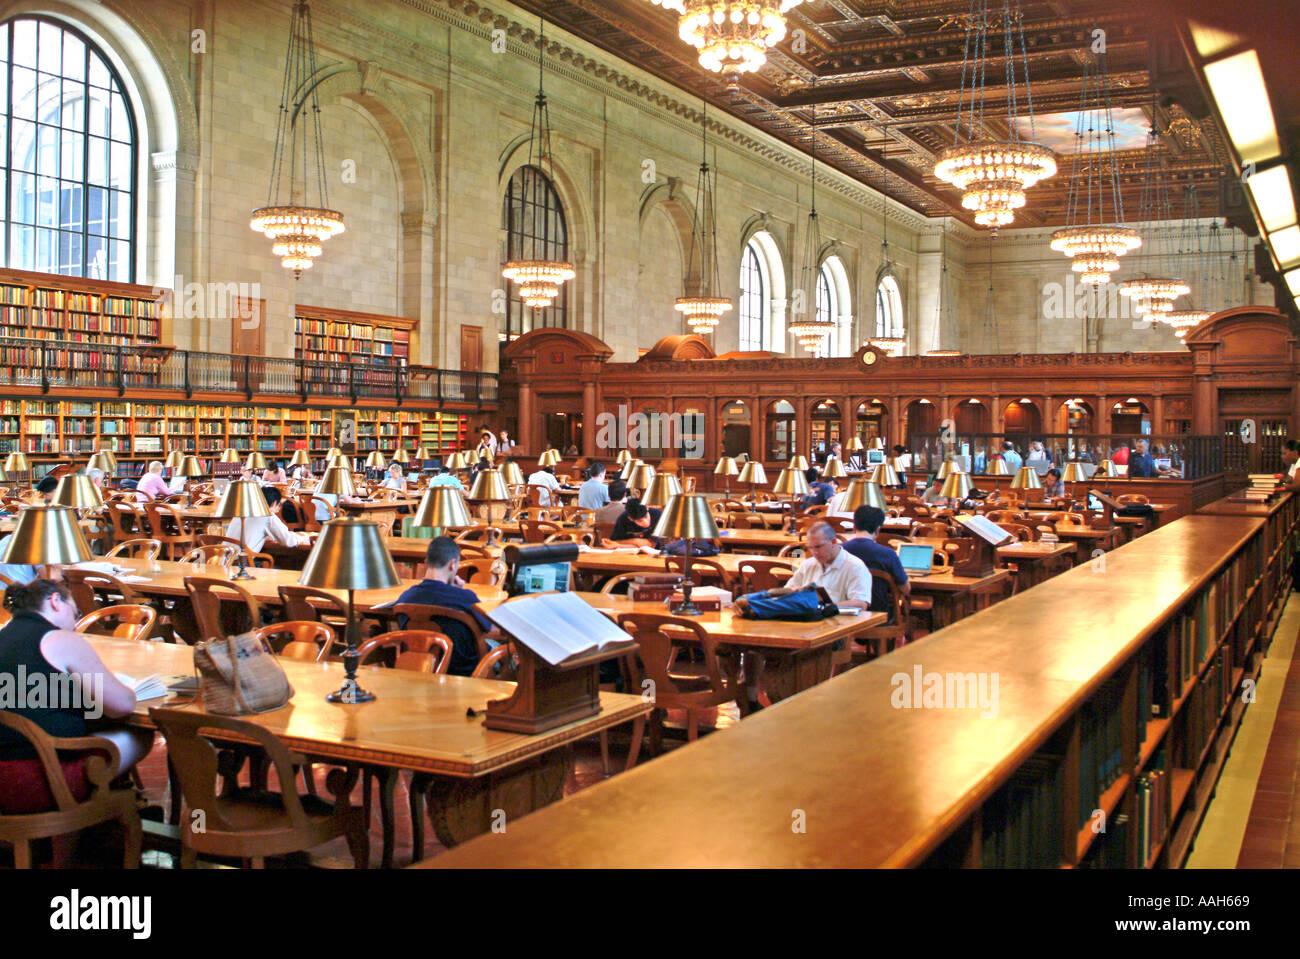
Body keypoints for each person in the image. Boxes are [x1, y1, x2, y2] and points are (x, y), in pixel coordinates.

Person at [0, 580, 155, 814]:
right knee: (141, 734)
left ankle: (94, 829)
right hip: (42, 779)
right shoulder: (60, 639)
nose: (75, 623)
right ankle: (99, 823)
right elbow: (121, 706)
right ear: (55, 601)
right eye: (76, 613)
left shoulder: (4, 634)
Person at [392, 537, 493, 676]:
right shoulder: (465, 598)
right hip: (467, 674)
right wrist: (460, 591)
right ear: (452, 564)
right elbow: (491, 628)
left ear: (426, 563)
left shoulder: (404, 598)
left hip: (422, 672)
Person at [761, 521, 871, 607]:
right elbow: (789, 589)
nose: (814, 553)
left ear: (833, 542)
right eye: (810, 548)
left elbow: (861, 604)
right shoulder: (808, 565)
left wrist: (826, 608)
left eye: (818, 547)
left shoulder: (855, 566)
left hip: (839, 626)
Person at [841, 506, 909, 619]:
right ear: (878, 530)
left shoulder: (839, 551)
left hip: (845, 614)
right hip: (880, 616)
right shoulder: (888, 554)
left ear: (854, 527)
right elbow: (905, 589)